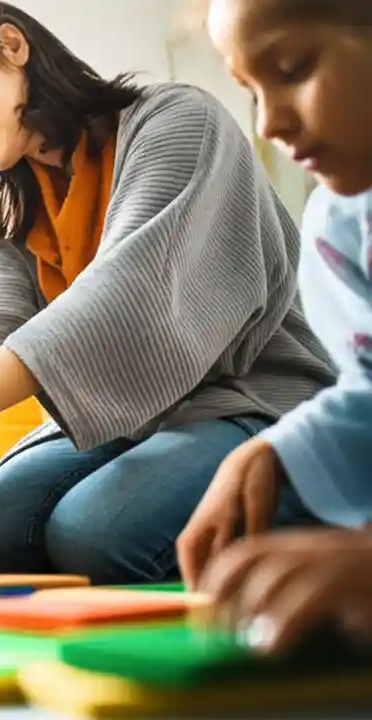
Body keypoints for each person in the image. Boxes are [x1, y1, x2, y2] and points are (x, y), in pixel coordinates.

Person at [0, 0, 334, 585]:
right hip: (135, 421)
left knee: (95, 535)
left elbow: (129, 294)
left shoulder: (178, 121)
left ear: (13, 45)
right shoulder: (21, 206)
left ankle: (312, 527)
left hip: (253, 400)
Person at [180, 0, 372, 656]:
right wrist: (278, 449)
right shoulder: (342, 225)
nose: (270, 123)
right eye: (251, 91)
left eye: (293, 68)